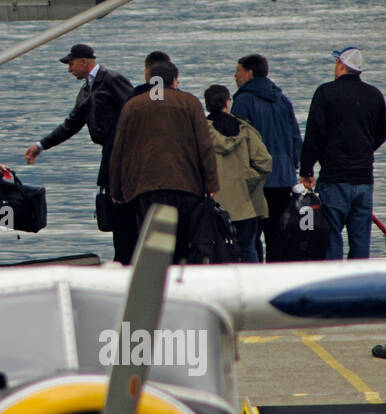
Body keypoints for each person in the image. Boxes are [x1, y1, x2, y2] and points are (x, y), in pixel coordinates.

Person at [23, 43, 136, 263]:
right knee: (111, 202)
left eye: (71, 64)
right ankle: (122, 255)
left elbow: (135, 110)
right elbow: (72, 124)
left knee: (122, 203)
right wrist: (41, 145)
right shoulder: (86, 90)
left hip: (124, 153)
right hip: (108, 154)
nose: (69, 69)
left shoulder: (111, 79)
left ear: (84, 62)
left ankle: (128, 256)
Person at [108, 60, 219, 263]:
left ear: (149, 79)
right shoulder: (190, 103)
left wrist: (116, 190)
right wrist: (210, 184)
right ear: (175, 80)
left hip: (144, 187)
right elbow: (205, 146)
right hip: (187, 186)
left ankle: (156, 285)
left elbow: (118, 152)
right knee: (184, 245)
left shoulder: (133, 105)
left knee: (153, 246)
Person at [299, 46, 386, 259]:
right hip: (364, 179)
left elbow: (314, 135)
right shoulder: (374, 95)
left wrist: (306, 170)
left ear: (341, 65)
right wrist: (363, 151)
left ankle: (334, 285)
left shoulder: (325, 93)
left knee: (331, 238)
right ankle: (359, 285)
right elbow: (381, 134)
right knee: (360, 241)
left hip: (334, 179)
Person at [231, 54, 302, 261]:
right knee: (278, 235)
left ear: (249, 73)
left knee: (250, 237)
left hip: (257, 181)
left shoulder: (243, 101)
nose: (235, 76)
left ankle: (257, 279)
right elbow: (296, 138)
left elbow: (238, 143)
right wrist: (293, 167)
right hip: (284, 178)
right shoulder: (282, 100)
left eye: (238, 71)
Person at [204, 84, 272, 263]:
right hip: (245, 204)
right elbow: (265, 162)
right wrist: (249, 180)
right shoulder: (245, 130)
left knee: (214, 250)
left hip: (212, 205)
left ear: (207, 105)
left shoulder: (200, 131)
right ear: (227, 103)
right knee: (247, 247)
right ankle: (254, 287)